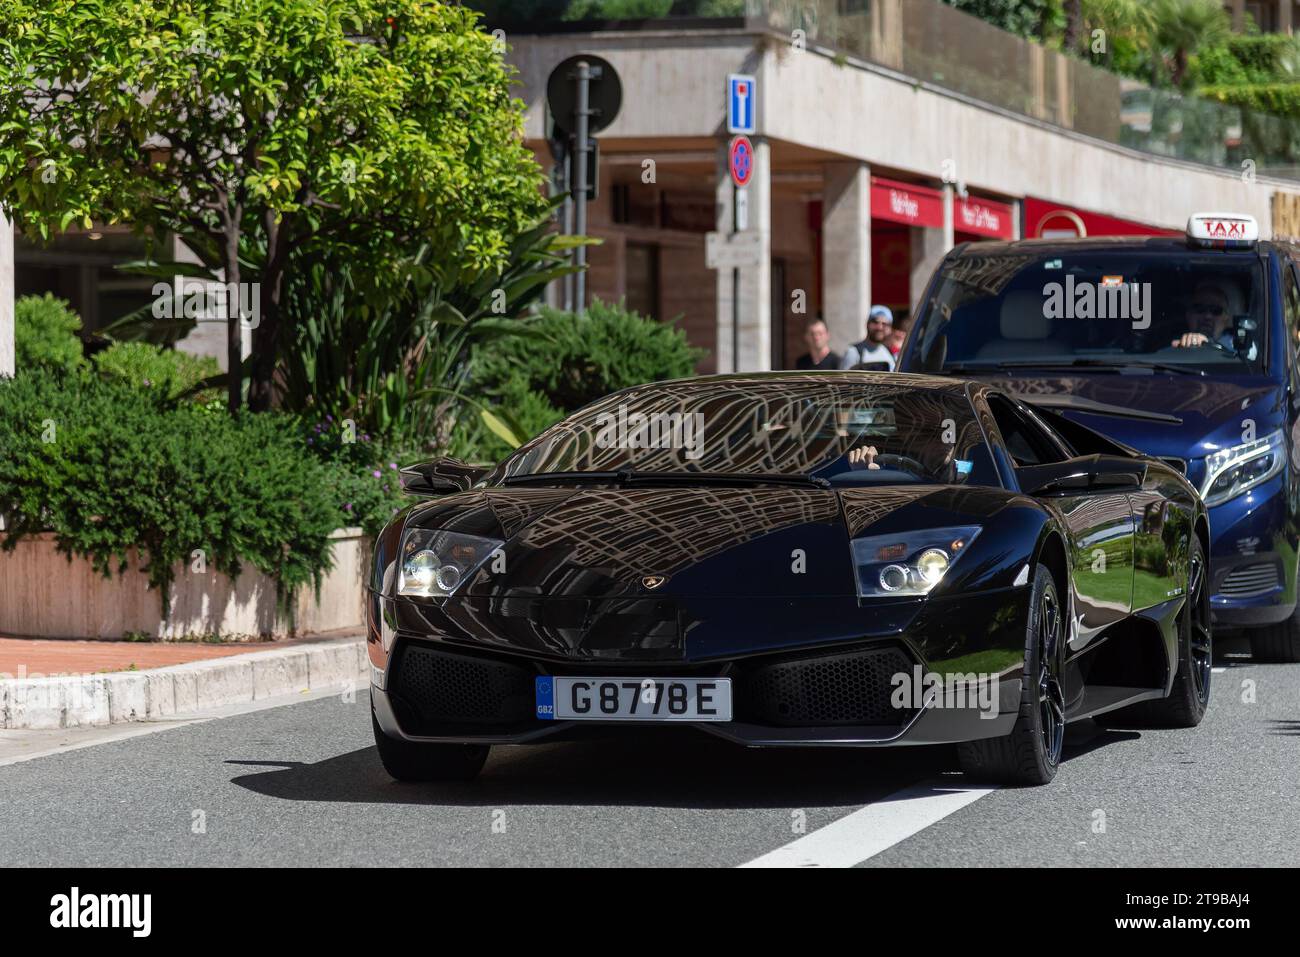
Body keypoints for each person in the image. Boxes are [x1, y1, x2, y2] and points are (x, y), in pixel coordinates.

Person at [1171, 282, 1234, 350]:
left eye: (1216, 310)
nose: (1208, 316)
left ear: (1226, 319)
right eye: (1199, 309)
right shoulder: (1173, 345)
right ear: (1188, 315)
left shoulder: (1238, 350)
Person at [841, 304, 896, 370]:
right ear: (867, 324)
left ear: (890, 328)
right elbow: (844, 379)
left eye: (884, 324)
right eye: (875, 322)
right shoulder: (853, 352)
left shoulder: (890, 354)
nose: (879, 327)